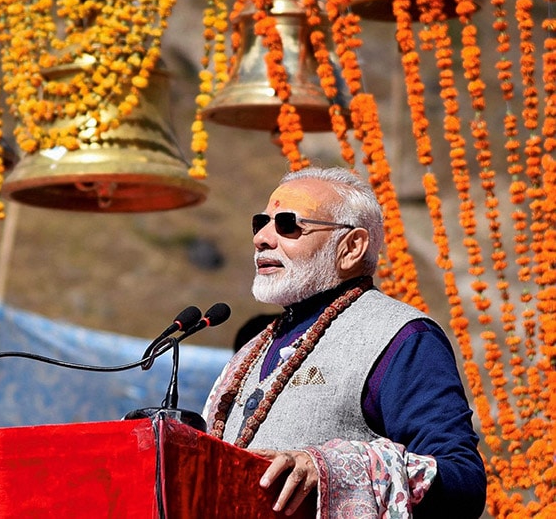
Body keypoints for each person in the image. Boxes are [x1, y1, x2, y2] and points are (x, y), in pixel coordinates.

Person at [203, 167, 486, 518]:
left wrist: (332, 470)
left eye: (288, 225)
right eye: (260, 223)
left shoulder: (401, 337)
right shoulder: (254, 349)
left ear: (351, 247)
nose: (262, 238)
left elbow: (463, 482)